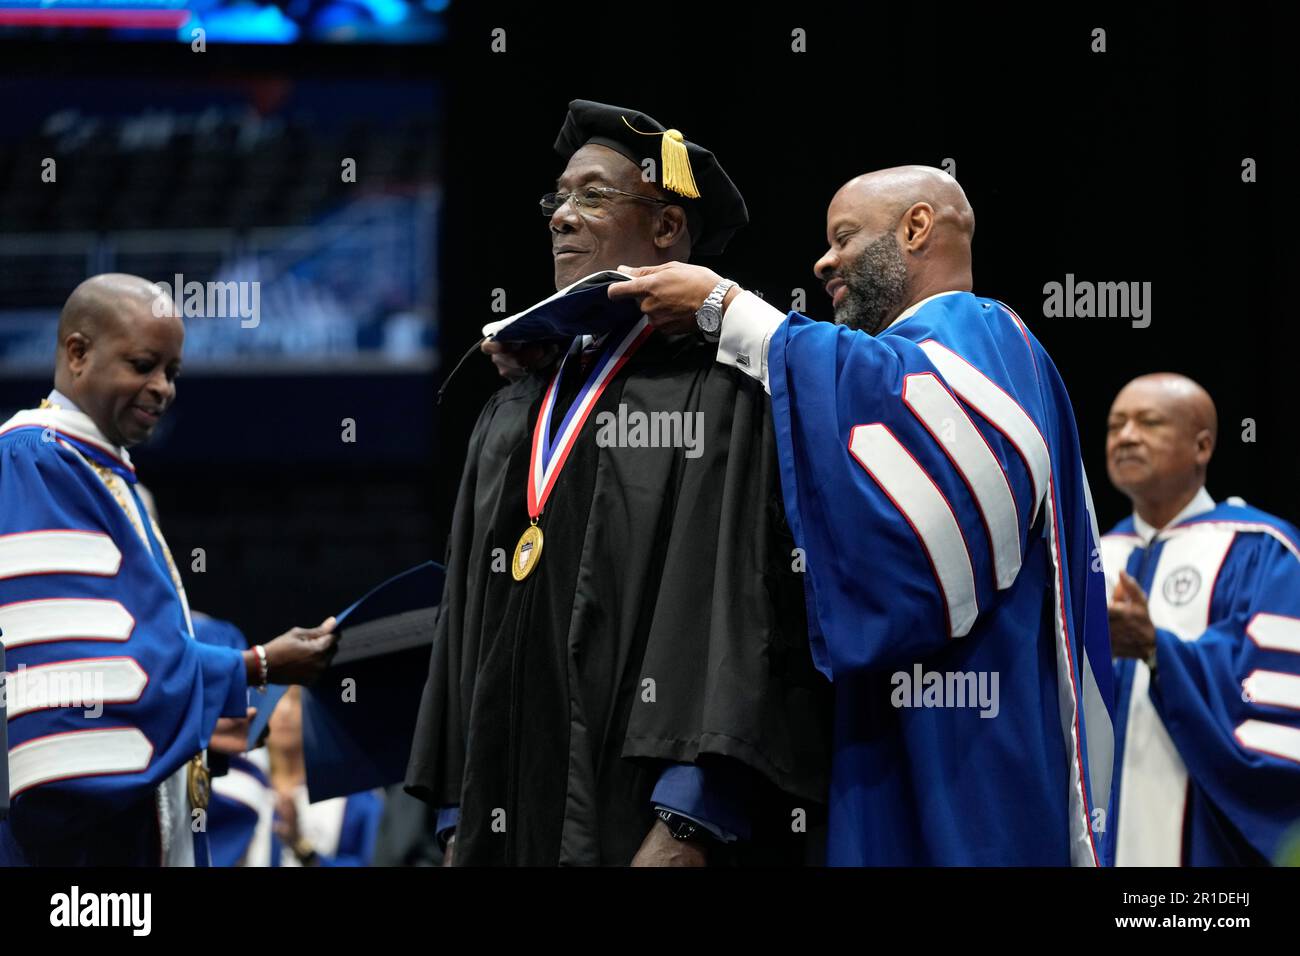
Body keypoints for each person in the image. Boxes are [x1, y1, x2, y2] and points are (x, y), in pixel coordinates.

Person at [610, 166, 1115, 865]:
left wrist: (729, 307)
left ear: (915, 228)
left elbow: (934, 475)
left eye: (844, 238)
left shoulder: (982, 330)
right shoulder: (911, 357)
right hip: (903, 730)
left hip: (975, 744)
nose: (822, 262)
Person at [405, 101, 830, 866]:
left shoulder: (719, 398)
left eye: (593, 195)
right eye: (558, 198)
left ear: (667, 228)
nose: (562, 217)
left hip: (639, 824)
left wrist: (689, 819)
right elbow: (465, 615)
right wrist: (453, 815)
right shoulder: (513, 407)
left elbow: (738, 612)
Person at [0, 273, 339, 866]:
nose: (162, 388)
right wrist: (253, 666)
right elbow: (79, 675)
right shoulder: (36, 460)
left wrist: (197, 720)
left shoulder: (100, 468)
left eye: (172, 372)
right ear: (78, 353)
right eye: (142, 364)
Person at [1099, 373, 1300, 865]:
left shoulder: (1262, 549)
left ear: (1202, 445)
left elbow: (1272, 695)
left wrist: (1155, 650)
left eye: (1149, 423)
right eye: (1115, 425)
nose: (1126, 436)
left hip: (1208, 839)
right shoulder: (1092, 556)